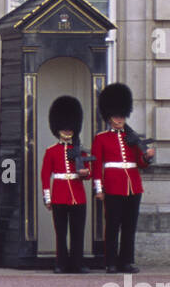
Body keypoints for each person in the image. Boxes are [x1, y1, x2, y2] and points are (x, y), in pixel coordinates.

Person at [91, 82, 154, 274]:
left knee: (129, 226)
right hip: (113, 185)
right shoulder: (101, 138)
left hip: (133, 185)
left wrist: (147, 156)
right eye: (115, 116)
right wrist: (98, 189)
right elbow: (96, 165)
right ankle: (110, 262)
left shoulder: (132, 137)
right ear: (109, 117)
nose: (118, 119)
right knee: (112, 226)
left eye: (121, 116)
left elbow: (140, 163)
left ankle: (126, 261)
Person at [41, 95, 91, 273]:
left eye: (71, 129)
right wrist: (47, 198)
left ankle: (77, 264)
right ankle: (61, 263)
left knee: (78, 233)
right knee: (61, 233)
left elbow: (88, 171)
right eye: (64, 128)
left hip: (78, 195)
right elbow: (45, 175)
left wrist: (86, 173)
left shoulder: (80, 150)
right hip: (59, 195)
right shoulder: (51, 151)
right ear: (58, 129)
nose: (68, 131)